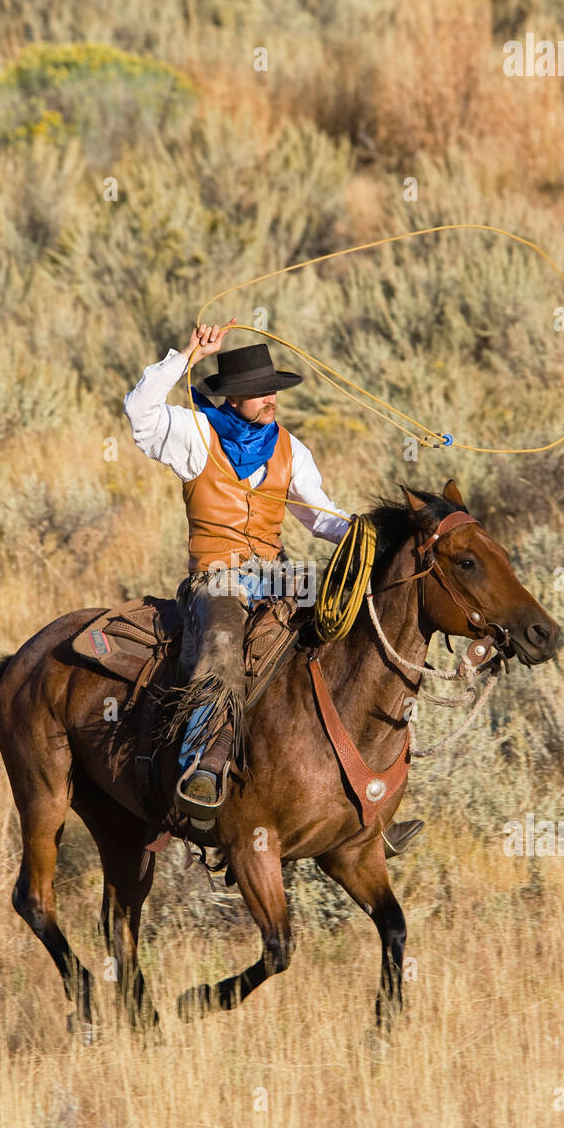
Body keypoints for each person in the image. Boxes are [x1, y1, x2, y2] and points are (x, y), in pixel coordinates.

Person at [123, 321, 424, 857]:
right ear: (232, 398)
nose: (271, 401)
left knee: (360, 628)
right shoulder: (194, 433)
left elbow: (319, 517)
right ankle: (204, 767)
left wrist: (364, 533)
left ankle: (372, 793)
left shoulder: (291, 449)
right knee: (221, 646)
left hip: (280, 576)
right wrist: (186, 355)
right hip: (214, 577)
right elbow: (139, 413)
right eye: (262, 393)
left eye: (274, 391)